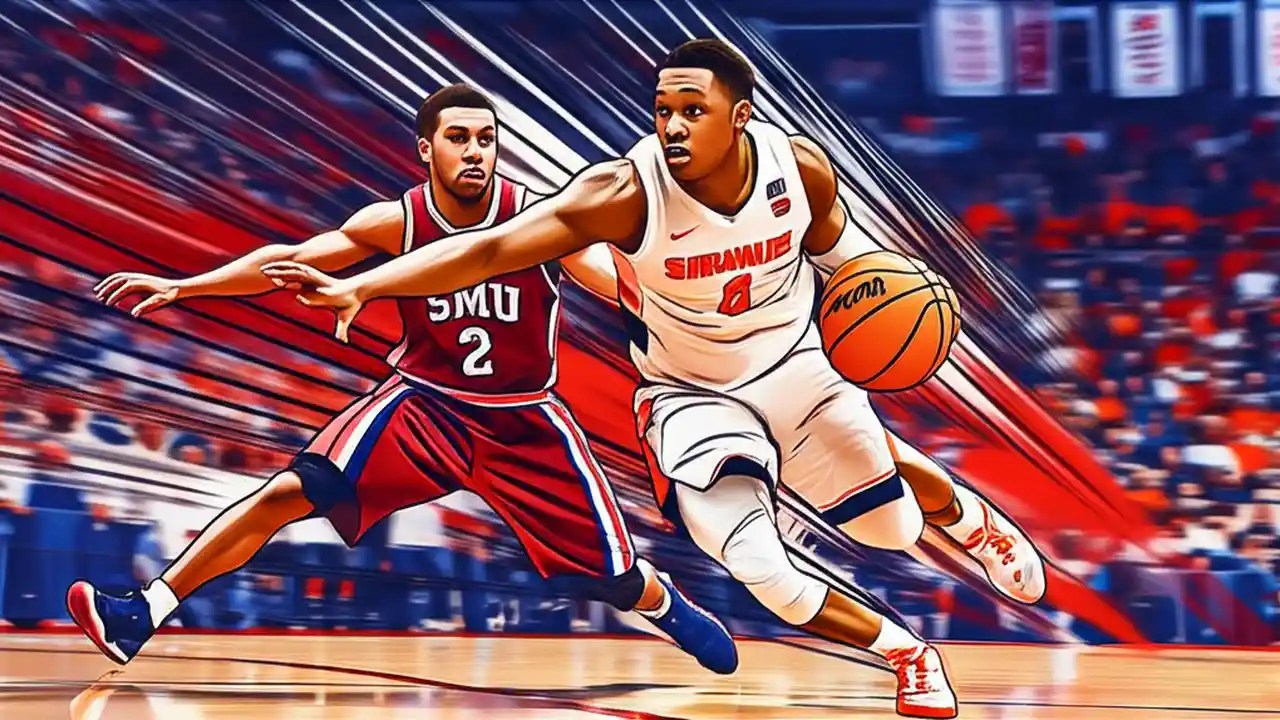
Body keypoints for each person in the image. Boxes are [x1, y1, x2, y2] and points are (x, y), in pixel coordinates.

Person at [262, 40, 1049, 718]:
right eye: (661, 109)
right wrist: (373, 283)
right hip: (688, 393)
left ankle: (969, 521)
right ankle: (905, 652)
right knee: (758, 564)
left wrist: (893, 305)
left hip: (797, 369)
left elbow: (845, 264)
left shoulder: (799, 169)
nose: (670, 126)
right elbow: (495, 248)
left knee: (894, 528)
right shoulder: (625, 192)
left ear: (740, 118)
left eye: (690, 111)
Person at [67, 83, 737, 676]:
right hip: (427, 406)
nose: (476, 152)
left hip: (523, 418)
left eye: (487, 140)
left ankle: (662, 603)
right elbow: (292, 261)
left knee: (613, 580)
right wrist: (186, 287)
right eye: (459, 139)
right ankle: (143, 611)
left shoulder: (541, 220)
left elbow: (619, 284)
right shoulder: (398, 220)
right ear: (426, 150)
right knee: (292, 490)